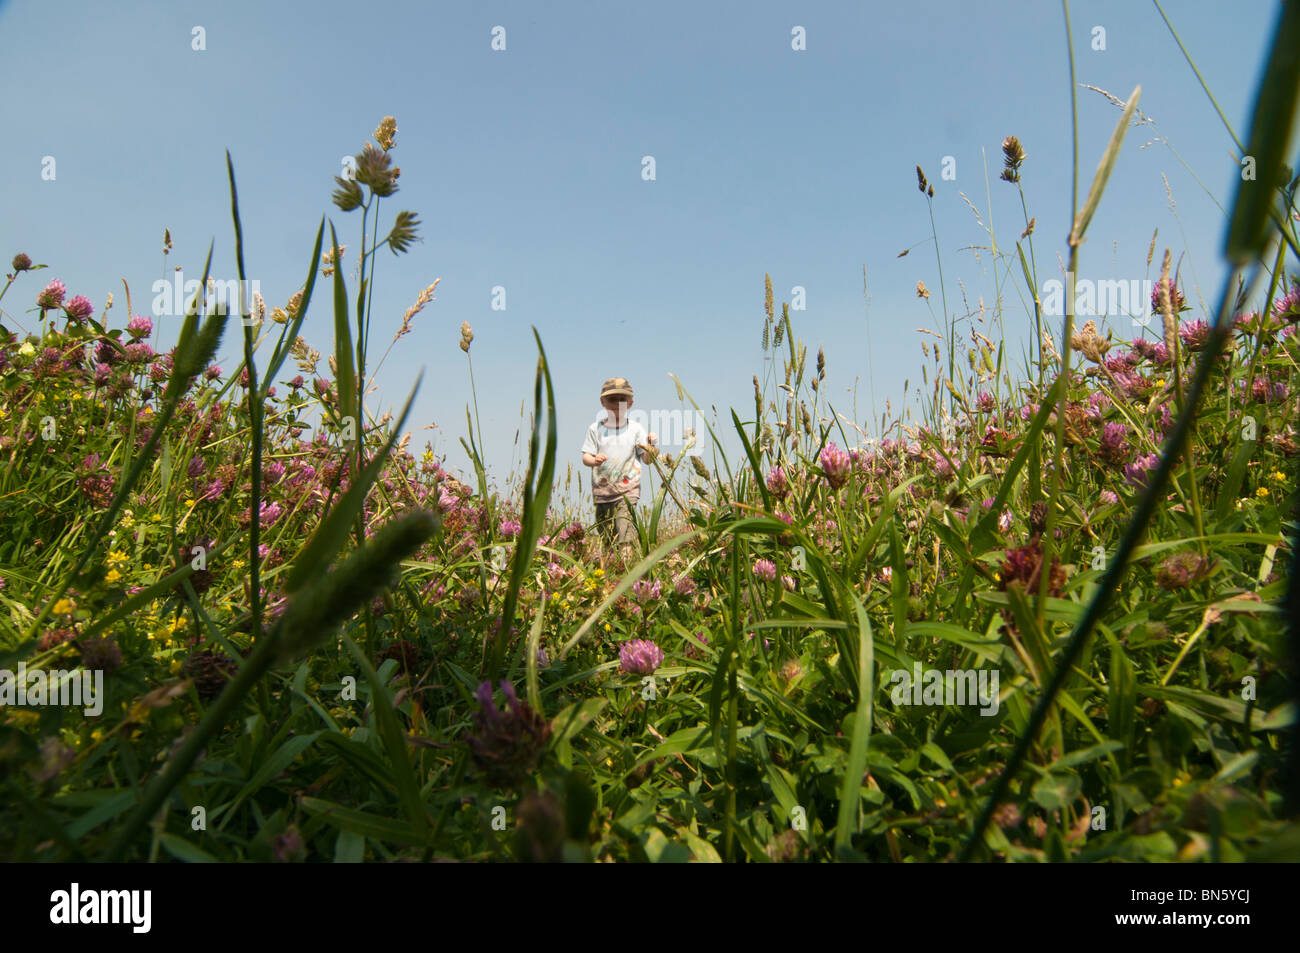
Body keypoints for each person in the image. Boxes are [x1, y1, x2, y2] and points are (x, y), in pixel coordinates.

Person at [581, 377, 657, 565]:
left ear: (630, 403)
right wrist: (594, 460)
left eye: (622, 399)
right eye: (612, 399)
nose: (617, 404)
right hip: (602, 491)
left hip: (628, 489)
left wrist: (651, 446)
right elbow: (585, 457)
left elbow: (647, 460)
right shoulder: (595, 429)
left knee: (625, 531)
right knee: (607, 535)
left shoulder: (636, 429)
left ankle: (625, 568)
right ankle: (608, 568)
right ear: (603, 402)